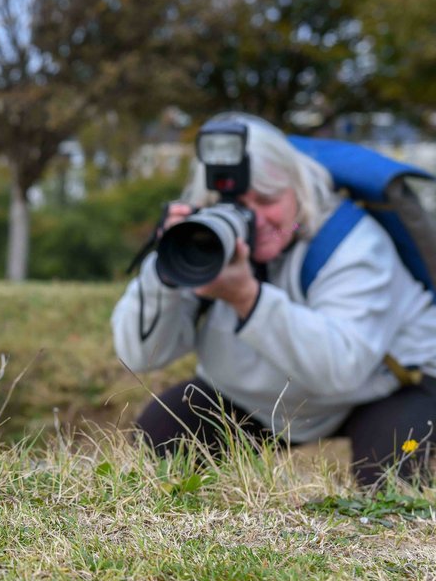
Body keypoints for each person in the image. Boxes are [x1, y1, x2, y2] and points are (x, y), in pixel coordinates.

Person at [112, 113, 436, 486]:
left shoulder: (352, 244)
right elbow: (140, 356)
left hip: (387, 383)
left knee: (389, 480)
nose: (253, 218)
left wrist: (247, 298)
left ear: (298, 187)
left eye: (267, 200)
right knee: (159, 436)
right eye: (233, 202)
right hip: (273, 396)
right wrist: (168, 271)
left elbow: (343, 370)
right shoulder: (207, 241)